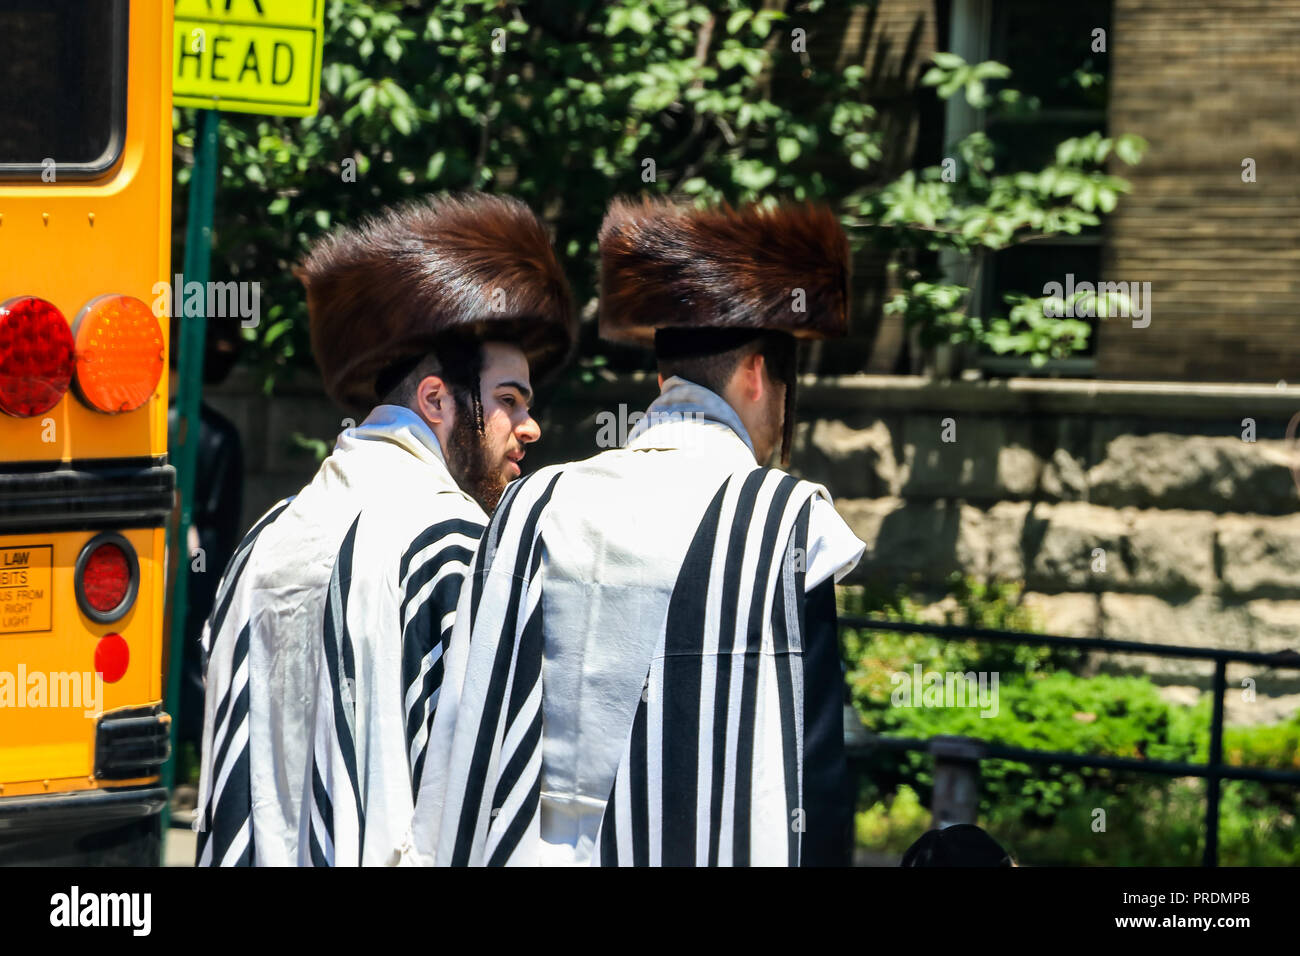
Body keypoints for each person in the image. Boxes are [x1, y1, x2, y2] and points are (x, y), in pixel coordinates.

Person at [407, 197, 865, 866]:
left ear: (661, 380)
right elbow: (815, 768)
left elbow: (467, 732)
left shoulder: (538, 501)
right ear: (759, 375)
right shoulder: (786, 522)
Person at [193, 193, 574, 866]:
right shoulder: (454, 542)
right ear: (436, 400)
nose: (530, 428)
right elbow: (488, 810)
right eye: (509, 401)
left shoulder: (266, 538)